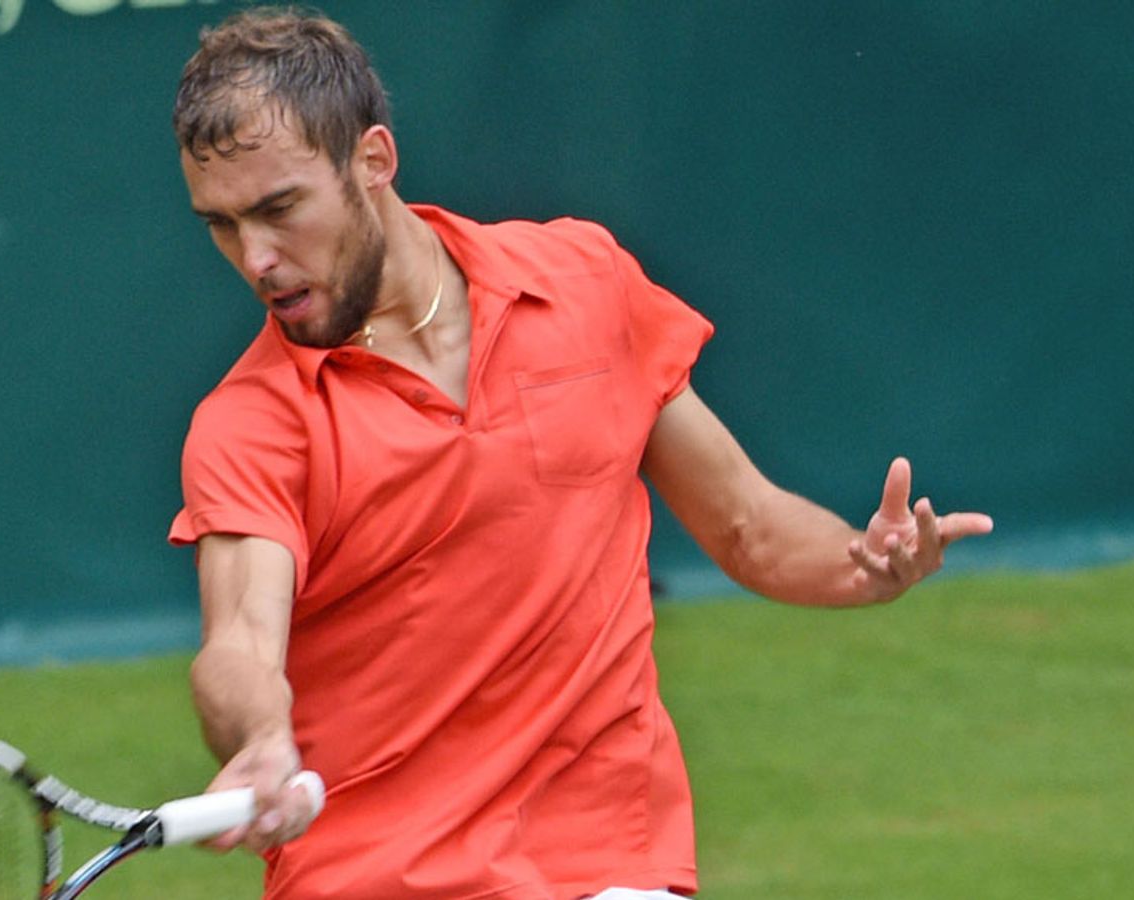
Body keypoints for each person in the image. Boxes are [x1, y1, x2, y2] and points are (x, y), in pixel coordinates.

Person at [166, 8, 993, 899]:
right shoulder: (250, 424)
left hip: (607, 858)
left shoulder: (581, 282)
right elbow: (241, 643)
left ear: (373, 162)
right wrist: (259, 739)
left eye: (279, 209)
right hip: (377, 876)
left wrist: (863, 566)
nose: (255, 258)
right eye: (221, 224)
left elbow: (748, 526)